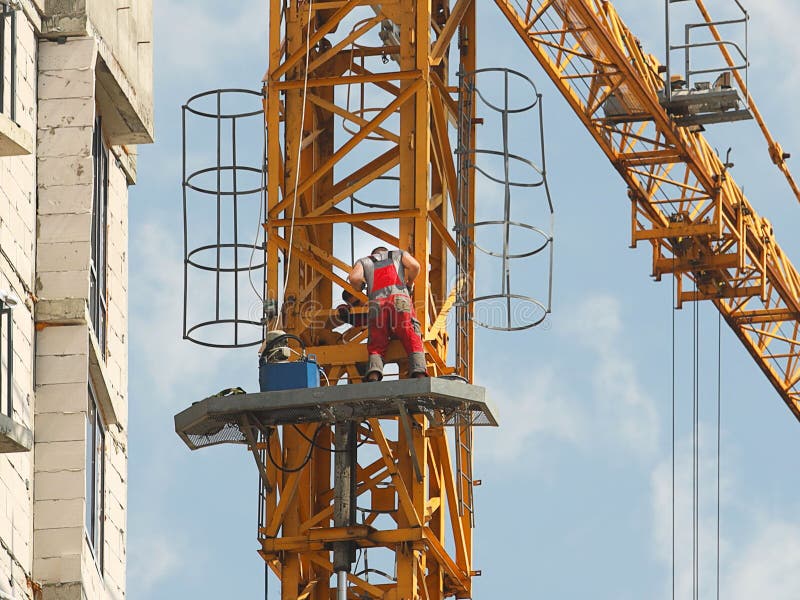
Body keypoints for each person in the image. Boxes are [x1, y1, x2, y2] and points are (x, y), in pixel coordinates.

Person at [347, 246, 427, 381]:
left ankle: (374, 374)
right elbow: (415, 266)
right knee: (410, 333)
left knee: (377, 341)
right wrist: (409, 283)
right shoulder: (398, 254)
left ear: (373, 254)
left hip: (377, 304)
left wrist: (360, 287)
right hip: (400, 299)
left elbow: (354, 278)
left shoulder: (364, 261)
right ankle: (419, 372)